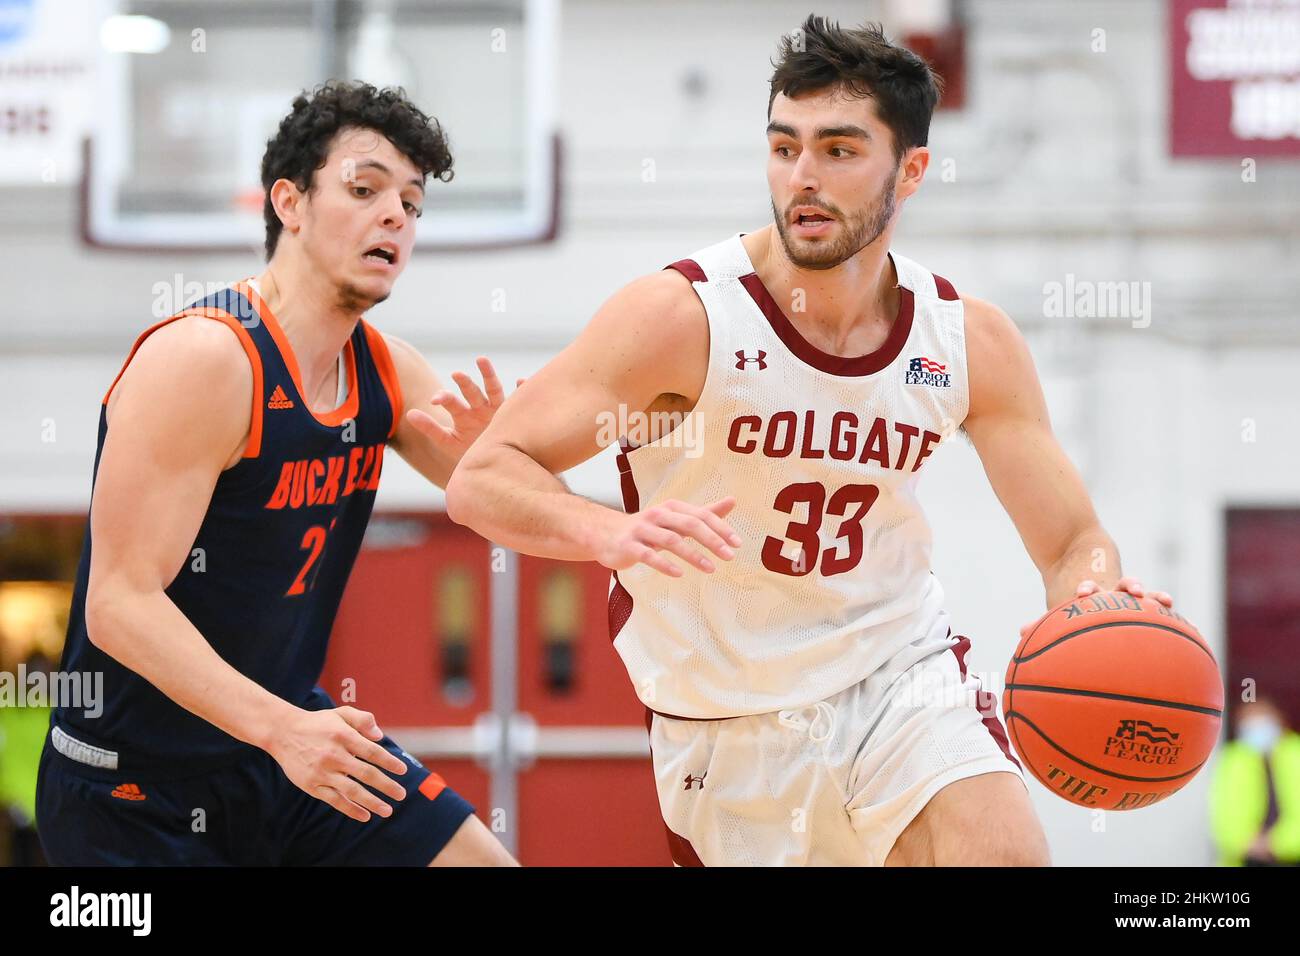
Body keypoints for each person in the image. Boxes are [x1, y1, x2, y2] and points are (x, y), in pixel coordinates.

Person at [429, 17, 1175, 866]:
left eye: (839, 150)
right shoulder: (681, 317)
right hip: (727, 720)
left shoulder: (969, 341)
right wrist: (607, 531)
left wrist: (1096, 600)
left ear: (912, 170)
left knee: (1004, 852)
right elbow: (483, 479)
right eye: (785, 148)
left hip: (901, 680)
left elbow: (1072, 540)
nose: (803, 179)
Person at [36, 82, 516, 866]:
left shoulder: (387, 372)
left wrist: (629, 507)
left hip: (279, 752)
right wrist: (285, 729)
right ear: (289, 204)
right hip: (131, 793)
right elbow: (118, 604)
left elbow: (506, 491)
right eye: (364, 190)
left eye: (412, 203)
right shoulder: (204, 360)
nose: (396, 215)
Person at [1210, 697, 1300, 866]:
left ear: (1279, 722)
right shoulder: (1235, 759)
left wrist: (1276, 844)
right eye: (1250, 724)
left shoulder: (1295, 754)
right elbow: (1225, 813)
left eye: (1263, 722)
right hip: (1248, 859)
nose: (1258, 730)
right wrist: (1244, 843)